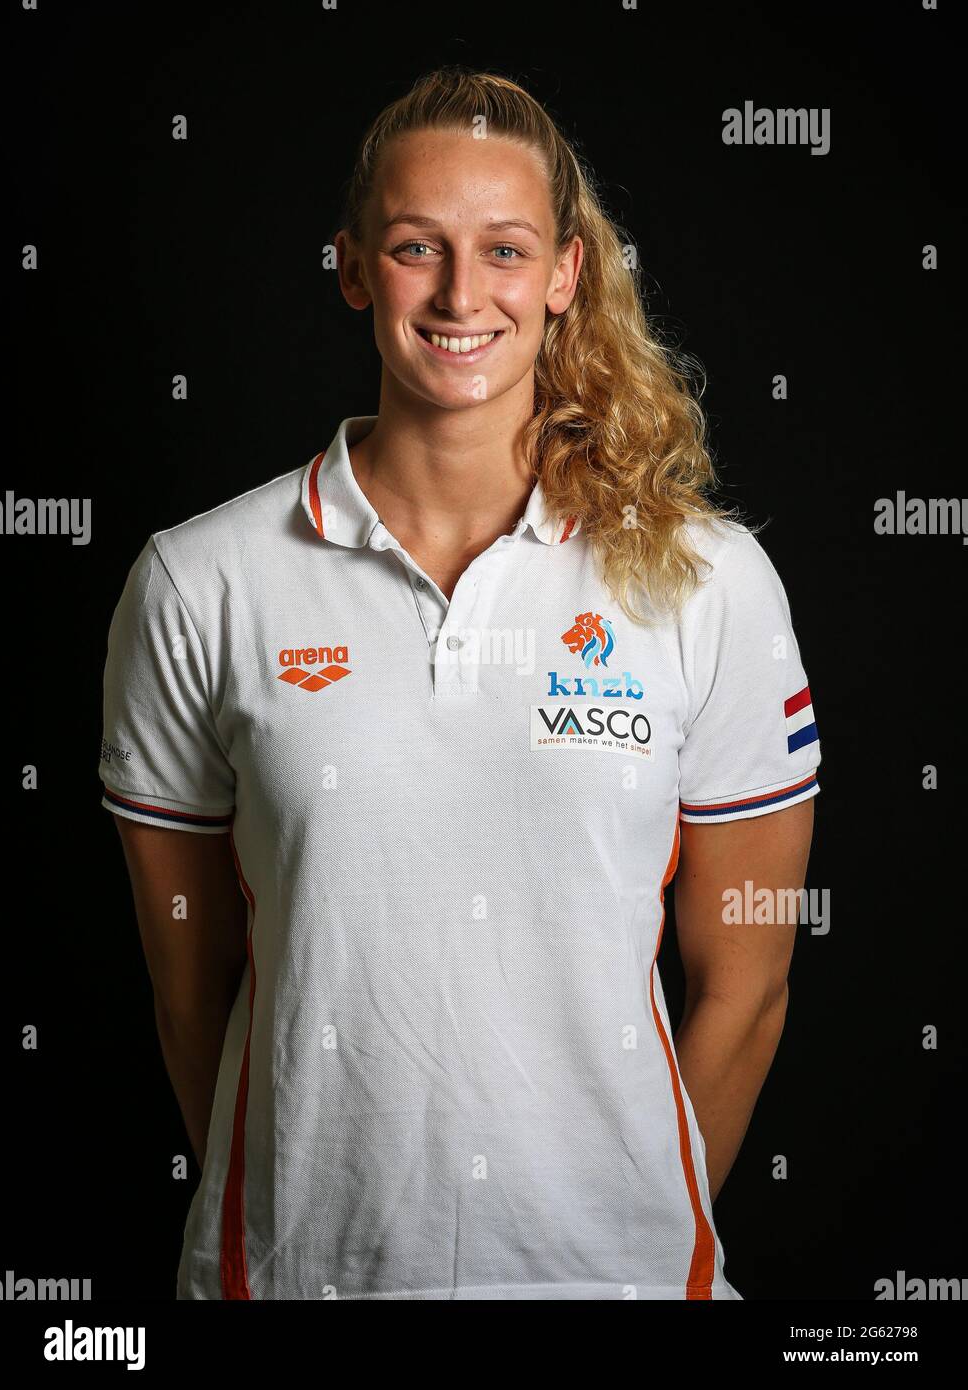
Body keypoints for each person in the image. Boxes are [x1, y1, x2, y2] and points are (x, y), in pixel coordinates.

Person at [98, 65, 820, 1301]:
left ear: (563, 277)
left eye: (502, 249)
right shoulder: (197, 584)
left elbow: (745, 987)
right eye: (413, 247)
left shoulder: (710, 582)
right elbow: (192, 994)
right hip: (295, 1278)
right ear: (349, 267)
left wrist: (618, 1233)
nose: (457, 294)